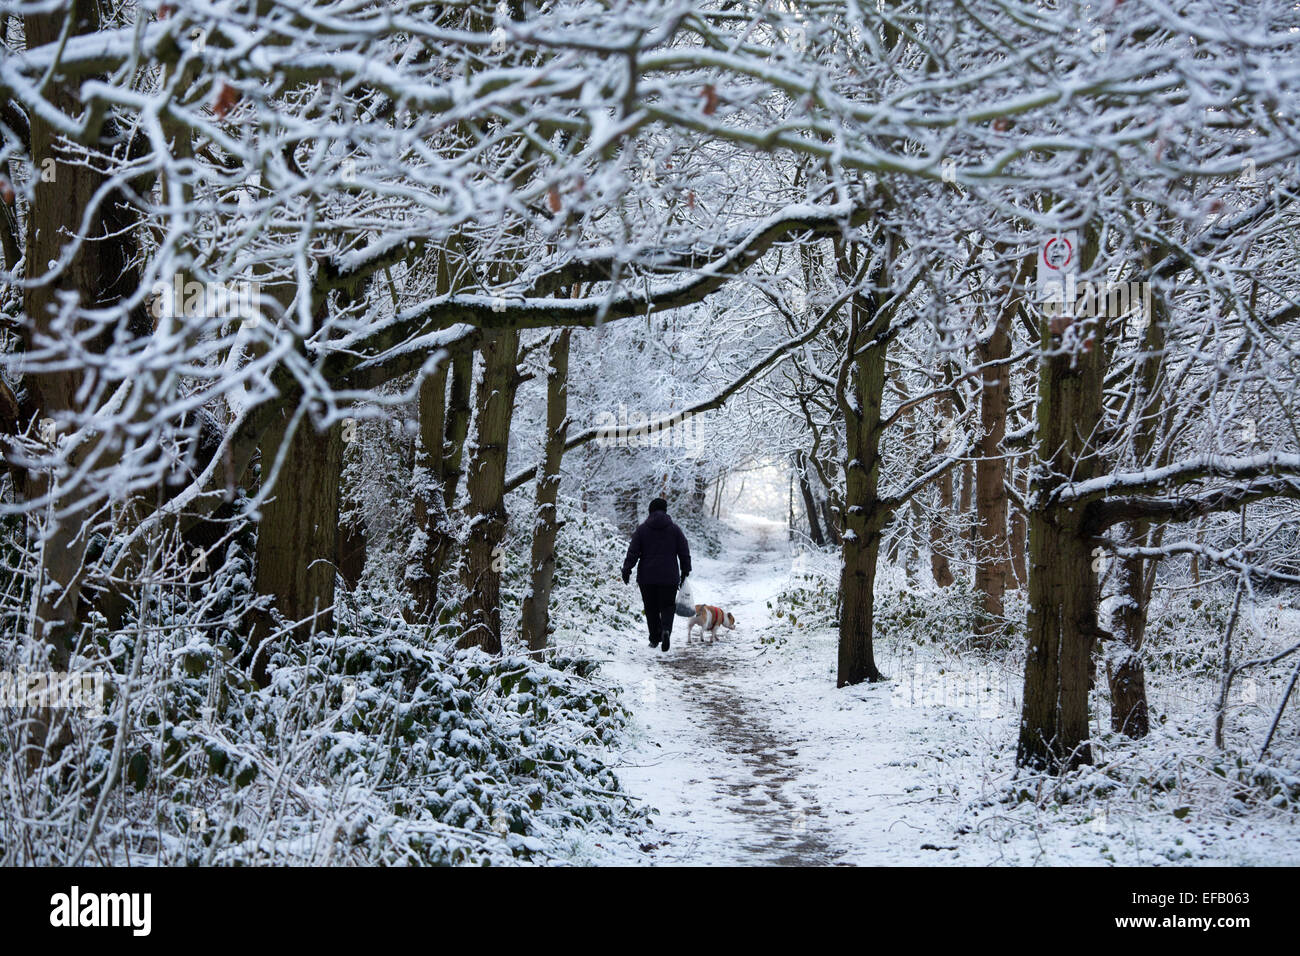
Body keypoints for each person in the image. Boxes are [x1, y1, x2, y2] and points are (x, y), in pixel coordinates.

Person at [622, 497, 691, 652]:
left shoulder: (642, 529)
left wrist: (627, 569)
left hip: (647, 577)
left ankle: (654, 638)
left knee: (651, 607)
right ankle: (666, 630)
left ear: (650, 511)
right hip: (669, 577)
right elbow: (684, 550)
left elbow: (633, 552)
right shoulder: (674, 529)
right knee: (667, 606)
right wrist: (685, 570)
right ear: (666, 510)